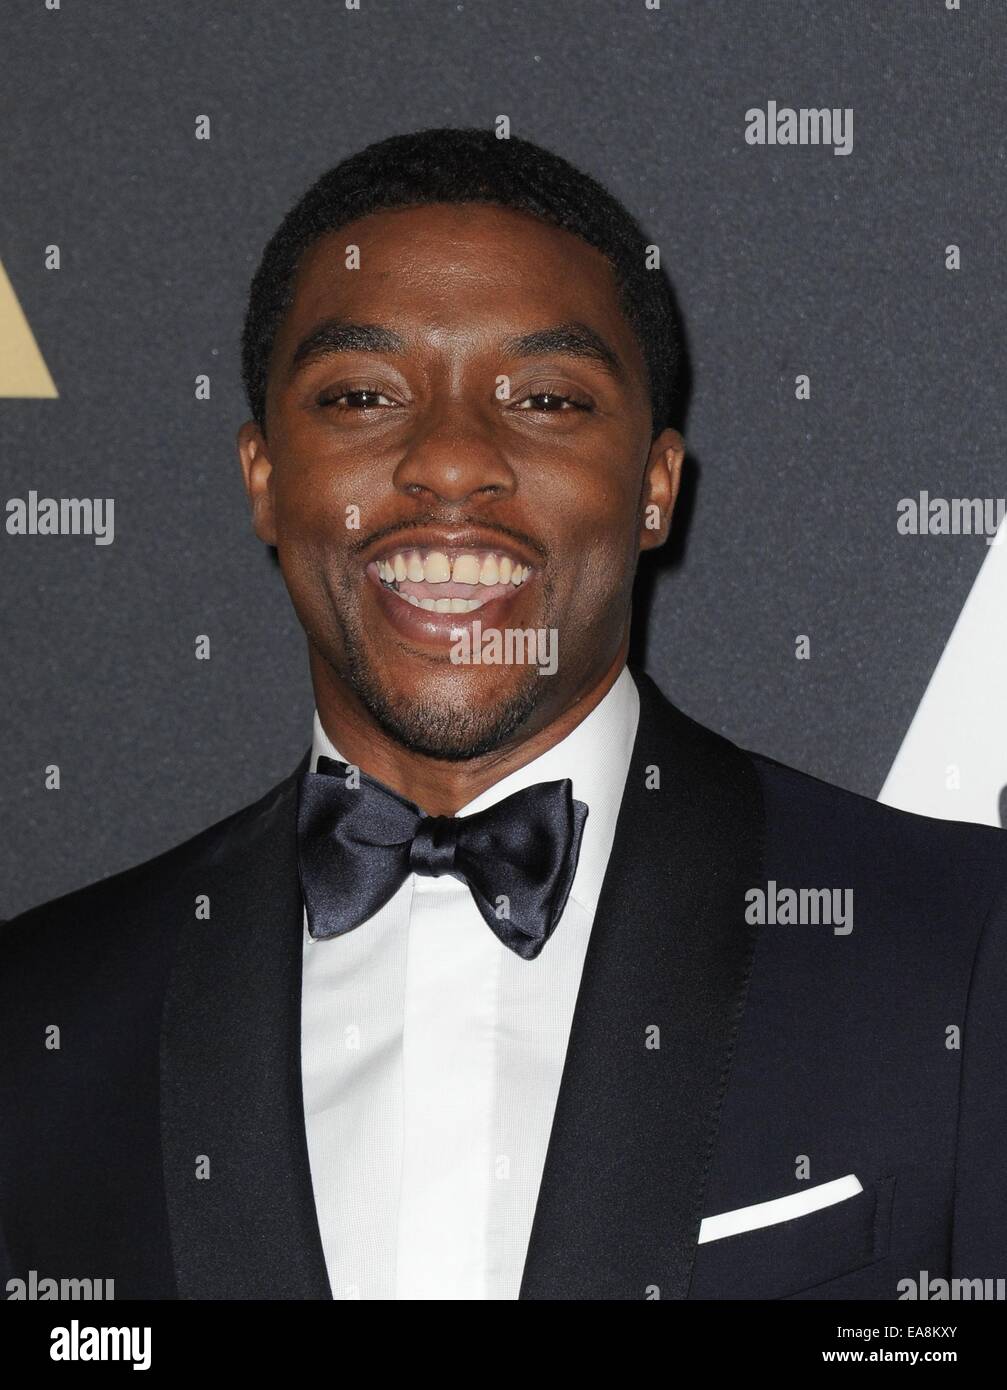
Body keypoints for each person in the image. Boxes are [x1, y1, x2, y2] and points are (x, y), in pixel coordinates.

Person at [2, 127, 1005, 1302]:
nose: (449, 459)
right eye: (363, 394)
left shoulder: (962, 953)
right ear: (265, 476)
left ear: (654, 487)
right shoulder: (40, 1022)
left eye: (543, 397)